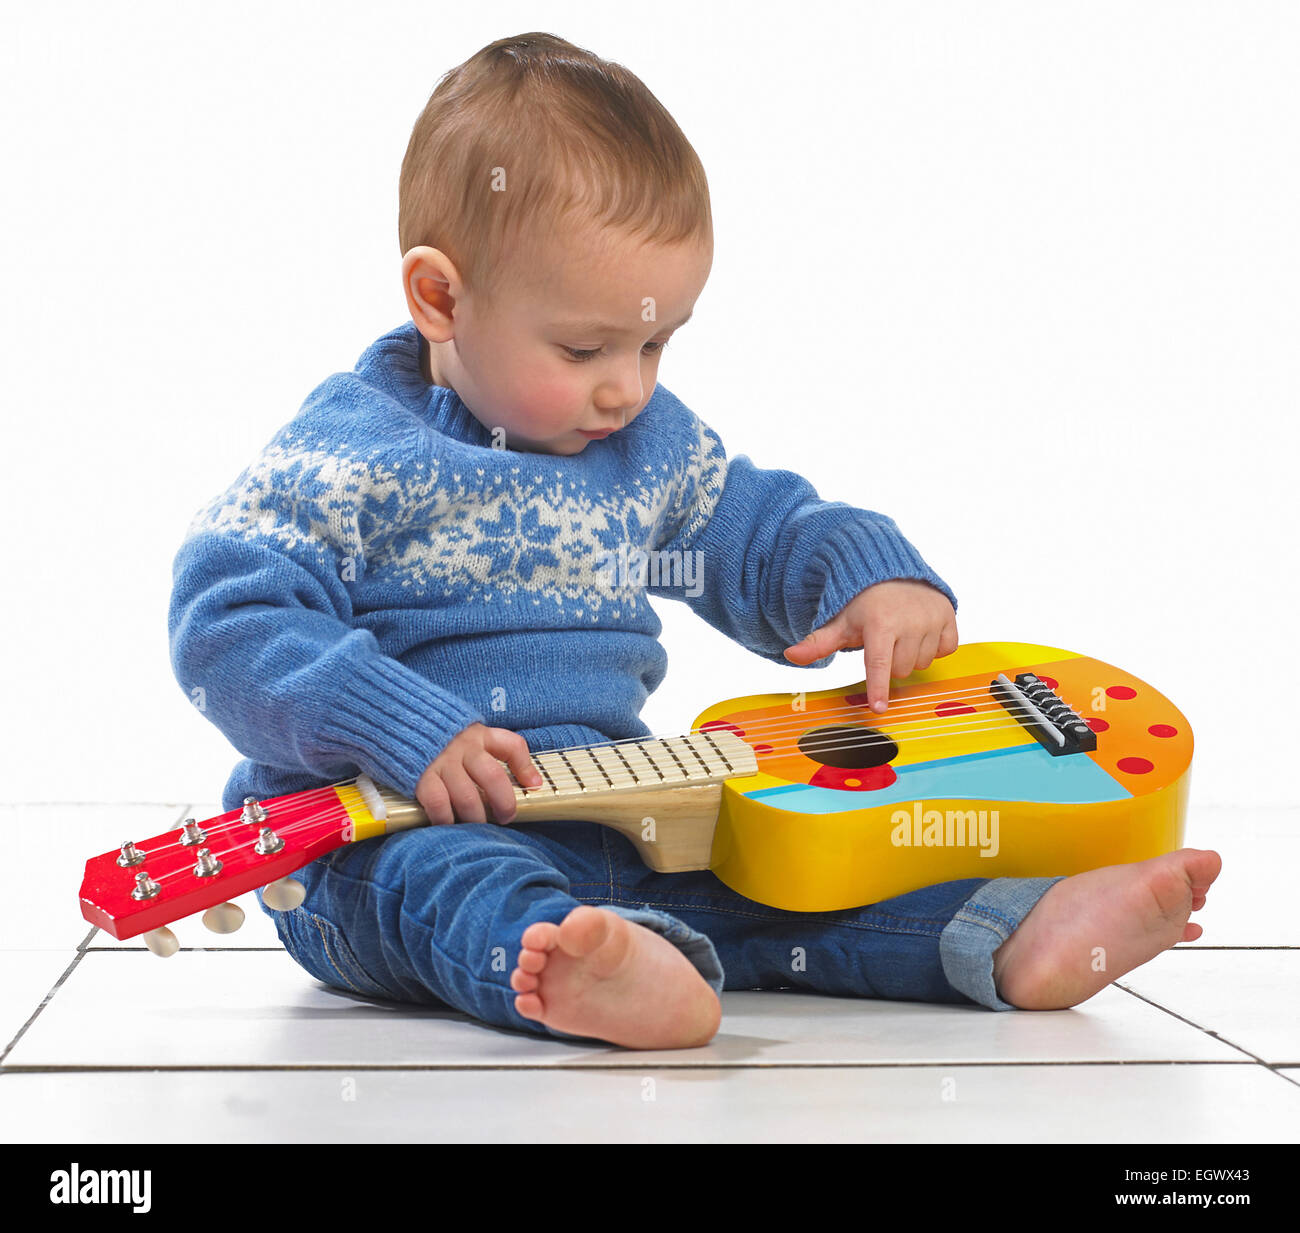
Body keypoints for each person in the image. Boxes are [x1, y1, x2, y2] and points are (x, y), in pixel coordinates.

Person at [168, 32, 1220, 1050]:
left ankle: (1006, 934)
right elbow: (228, 615)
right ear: (440, 297)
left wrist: (868, 577)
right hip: (372, 830)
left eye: (656, 341)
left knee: (788, 878)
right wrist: (403, 728)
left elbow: (761, 529)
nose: (627, 385)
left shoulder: (642, 445)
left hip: (619, 811)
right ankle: (575, 968)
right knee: (451, 887)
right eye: (583, 347)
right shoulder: (348, 454)